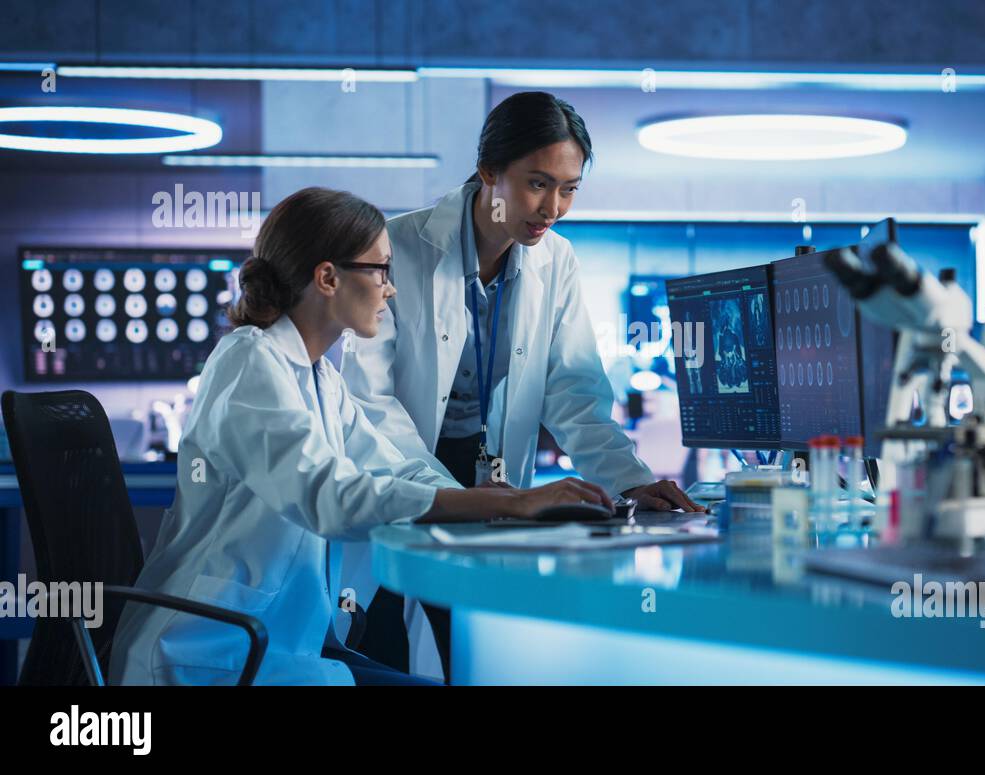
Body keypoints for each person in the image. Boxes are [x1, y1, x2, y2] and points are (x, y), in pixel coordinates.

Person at [109, 187, 608, 685]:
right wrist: (491, 505)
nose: (390, 290)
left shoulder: (321, 379)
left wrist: (501, 500)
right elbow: (330, 498)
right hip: (206, 656)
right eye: (381, 270)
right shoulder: (250, 360)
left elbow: (391, 464)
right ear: (328, 277)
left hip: (276, 648)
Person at [341, 91, 704, 679]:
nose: (553, 207)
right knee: (379, 635)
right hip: (396, 465)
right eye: (538, 183)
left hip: (491, 471)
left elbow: (575, 395)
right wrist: (465, 499)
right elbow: (371, 402)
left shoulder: (555, 261)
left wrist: (632, 480)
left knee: (473, 643)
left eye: (569, 188)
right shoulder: (396, 246)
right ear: (489, 171)